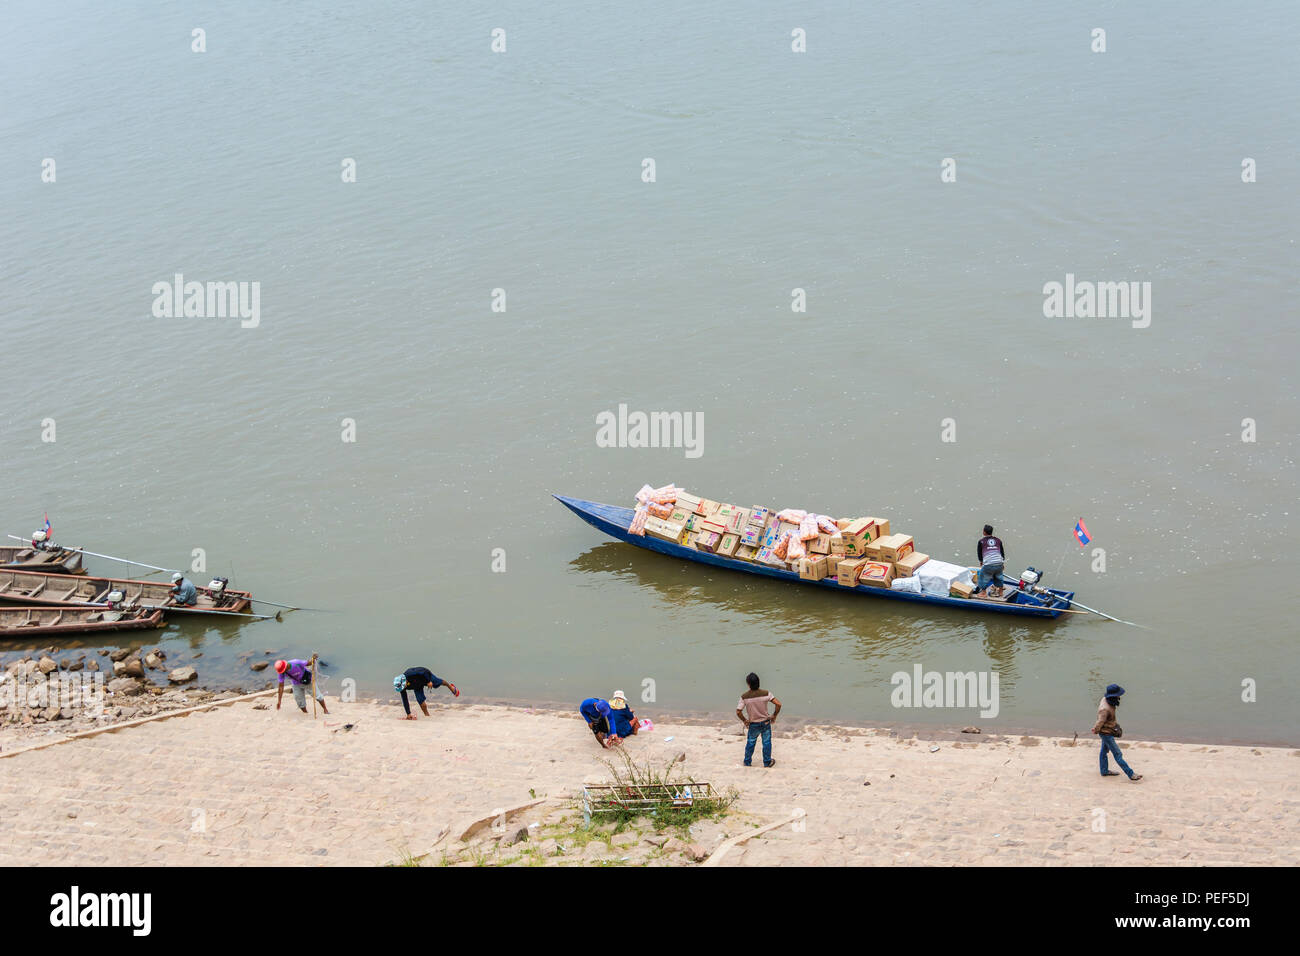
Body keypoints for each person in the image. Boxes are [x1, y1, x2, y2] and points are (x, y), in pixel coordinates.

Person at [1090, 683, 1141, 781]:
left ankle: (1104, 771)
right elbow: (1100, 721)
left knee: (1103, 751)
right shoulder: (1105, 709)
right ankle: (1131, 774)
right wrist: (1095, 729)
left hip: (1108, 729)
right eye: (1118, 695)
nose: (1119, 697)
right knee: (1118, 754)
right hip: (1106, 733)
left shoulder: (1106, 700)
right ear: (1113, 696)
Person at [736, 672, 781, 768]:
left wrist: (745, 720)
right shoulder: (766, 693)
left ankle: (747, 762)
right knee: (767, 742)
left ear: (748, 684)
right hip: (765, 722)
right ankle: (767, 762)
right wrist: (774, 715)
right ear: (758, 682)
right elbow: (778, 704)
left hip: (753, 724)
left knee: (751, 742)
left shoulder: (744, 697)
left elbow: (738, 711)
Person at [394, 667, 459, 719]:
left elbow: (425, 672)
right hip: (417, 686)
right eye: (401, 688)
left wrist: (428, 681)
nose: (402, 688)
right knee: (420, 700)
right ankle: (427, 715)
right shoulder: (402, 688)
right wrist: (408, 714)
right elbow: (405, 699)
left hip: (425, 677)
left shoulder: (410, 673)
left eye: (402, 686)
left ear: (404, 680)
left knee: (437, 683)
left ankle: (450, 687)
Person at [972, 524, 1006, 597]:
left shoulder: (981, 541)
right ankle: (1000, 592)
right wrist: (1002, 564)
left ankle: (983, 592)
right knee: (999, 576)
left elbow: (980, 554)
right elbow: (1002, 553)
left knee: (982, 576)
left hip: (989, 564)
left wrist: (981, 561)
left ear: (984, 532)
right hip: (999, 563)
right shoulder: (998, 540)